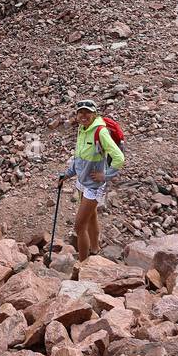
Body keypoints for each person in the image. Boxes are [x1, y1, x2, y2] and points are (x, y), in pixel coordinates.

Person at [59, 98, 125, 261]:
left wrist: (106, 175)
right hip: (82, 182)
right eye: (80, 112)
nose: (83, 115)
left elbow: (119, 157)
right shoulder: (82, 129)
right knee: (92, 216)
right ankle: (95, 249)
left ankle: (82, 263)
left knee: (79, 226)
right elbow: (79, 158)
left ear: (94, 114)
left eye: (87, 112)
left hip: (94, 186)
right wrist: (66, 175)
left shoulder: (100, 131)